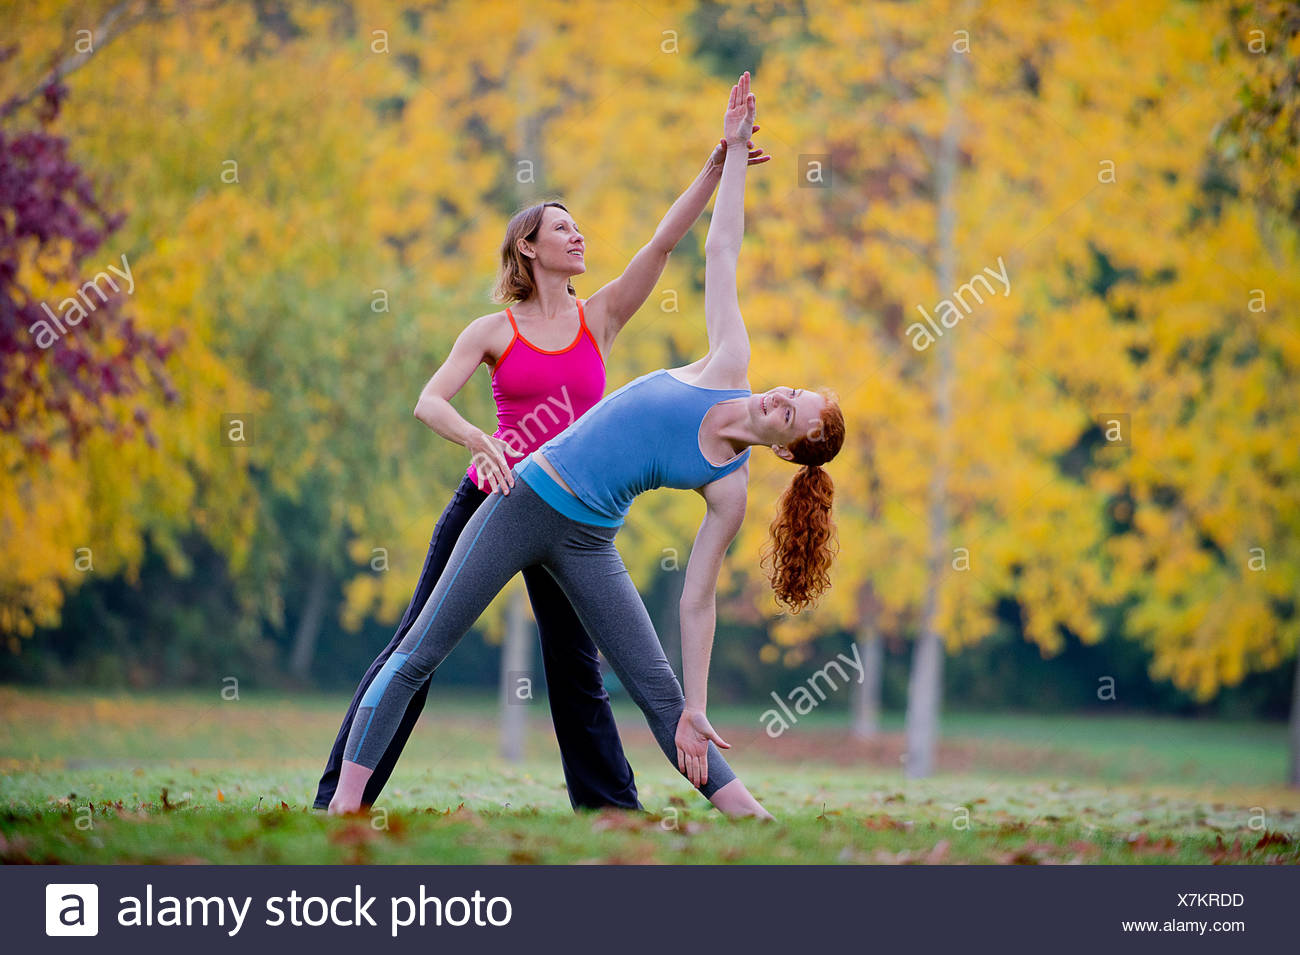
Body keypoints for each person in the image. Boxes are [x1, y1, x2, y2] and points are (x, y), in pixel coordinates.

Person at [328, 72, 842, 819]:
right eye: (793, 390)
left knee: (659, 696)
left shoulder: (728, 487)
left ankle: (755, 823)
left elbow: (698, 599)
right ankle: (342, 810)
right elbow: (719, 248)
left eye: (793, 414)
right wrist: (728, 158)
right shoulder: (728, 362)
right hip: (522, 496)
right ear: (528, 250)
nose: (781, 397)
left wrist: (698, 702)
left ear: (790, 452)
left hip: (590, 540)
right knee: (420, 648)